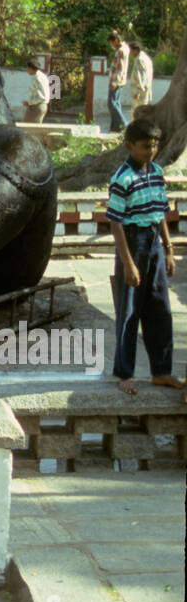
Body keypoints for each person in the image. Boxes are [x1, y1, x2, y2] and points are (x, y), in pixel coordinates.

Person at [106, 118, 185, 401]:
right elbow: (115, 223)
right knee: (129, 313)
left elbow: (161, 211)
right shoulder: (122, 178)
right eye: (144, 146)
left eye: (154, 145)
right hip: (132, 243)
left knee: (161, 310)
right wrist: (128, 263)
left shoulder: (157, 172)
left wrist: (168, 249)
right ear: (129, 145)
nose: (150, 151)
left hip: (153, 243)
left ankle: (161, 370)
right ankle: (125, 375)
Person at [107, 30, 130, 133]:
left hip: (117, 81)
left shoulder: (121, 50)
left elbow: (120, 68)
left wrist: (114, 83)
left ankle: (123, 124)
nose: (111, 45)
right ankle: (115, 127)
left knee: (112, 104)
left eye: (112, 42)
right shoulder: (125, 48)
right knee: (115, 103)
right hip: (120, 80)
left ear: (116, 40)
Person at [129, 41, 154, 116]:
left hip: (140, 92)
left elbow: (141, 77)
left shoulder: (140, 59)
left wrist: (138, 92)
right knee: (144, 113)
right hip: (146, 90)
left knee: (137, 114)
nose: (131, 53)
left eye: (131, 51)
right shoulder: (146, 58)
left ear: (136, 50)